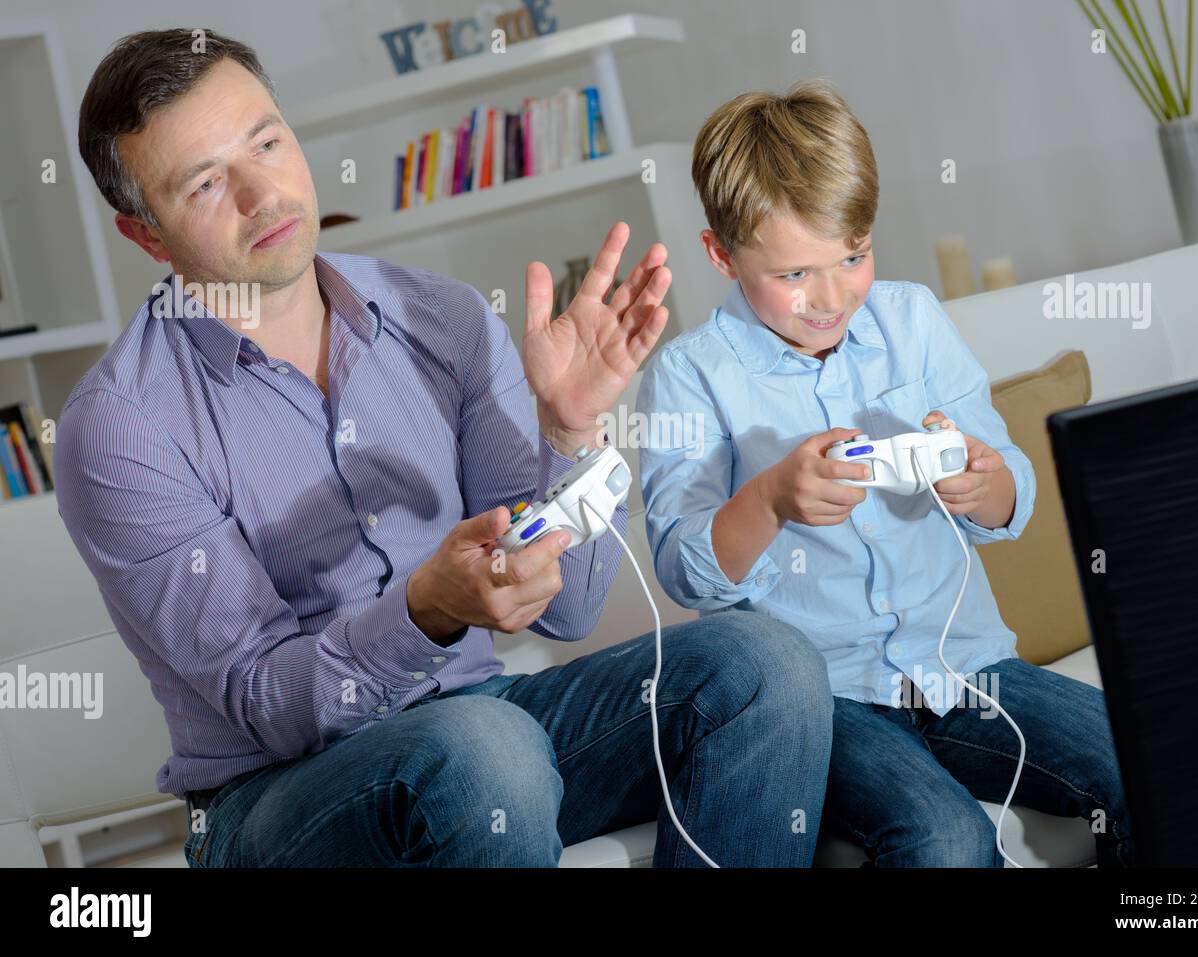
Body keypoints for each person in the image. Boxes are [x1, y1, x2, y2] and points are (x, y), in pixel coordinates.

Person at [56, 29, 834, 867]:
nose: (262, 195)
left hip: (487, 726)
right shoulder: (119, 424)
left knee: (765, 663)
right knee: (481, 750)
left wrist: (568, 436)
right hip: (274, 797)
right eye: (206, 183)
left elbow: (567, 609)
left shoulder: (445, 319)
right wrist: (426, 610)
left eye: (268, 142)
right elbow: (266, 702)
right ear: (146, 236)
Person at [637, 80, 1133, 867]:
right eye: (795, 273)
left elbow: (1011, 490)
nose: (832, 297)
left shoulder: (913, 319)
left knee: (1141, 759)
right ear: (721, 254)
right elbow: (685, 568)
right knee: (944, 837)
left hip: (968, 667)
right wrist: (769, 498)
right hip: (827, 703)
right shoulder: (692, 374)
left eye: (854, 256)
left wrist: (983, 481)